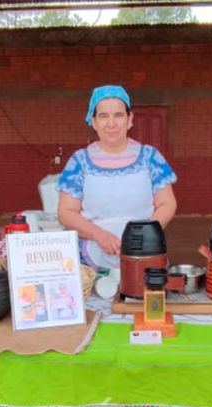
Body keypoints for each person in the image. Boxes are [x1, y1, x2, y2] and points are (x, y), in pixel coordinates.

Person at [57, 85, 178, 270]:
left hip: (145, 255)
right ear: (93, 121)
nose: (111, 123)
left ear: (130, 120)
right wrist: (100, 235)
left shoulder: (149, 157)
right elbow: (66, 212)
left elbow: (167, 204)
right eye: (103, 116)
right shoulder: (79, 161)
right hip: (93, 259)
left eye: (119, 115)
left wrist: (143, 236)